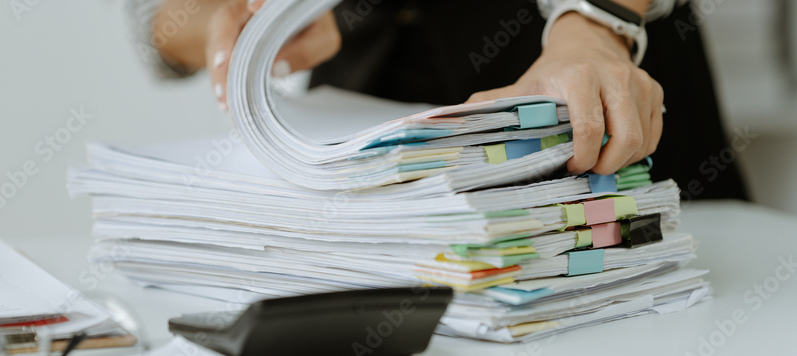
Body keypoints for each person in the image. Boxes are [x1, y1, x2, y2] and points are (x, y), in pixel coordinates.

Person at [129, 0, 748, 200]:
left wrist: (595, 25)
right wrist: (225, 16)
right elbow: (153, 20)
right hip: (363, 115)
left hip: (592, 75)